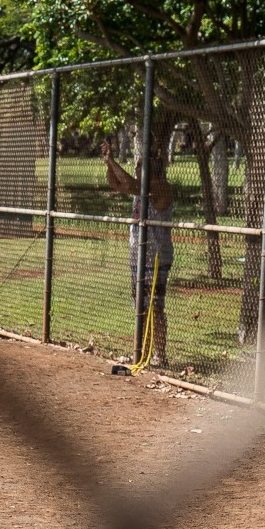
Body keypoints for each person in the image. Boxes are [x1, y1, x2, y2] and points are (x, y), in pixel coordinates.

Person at [104, 139, 175, 368]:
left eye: (138, 169)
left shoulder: (160, 187)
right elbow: (116, 184)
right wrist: (108, 163)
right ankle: (141, 351)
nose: (134, 174)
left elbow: (133, 185)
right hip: (137, 257)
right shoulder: (139, 188)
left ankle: (160, 355)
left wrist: (114, 161)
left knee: (155, 307)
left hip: (156, 259)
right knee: (139, 307)